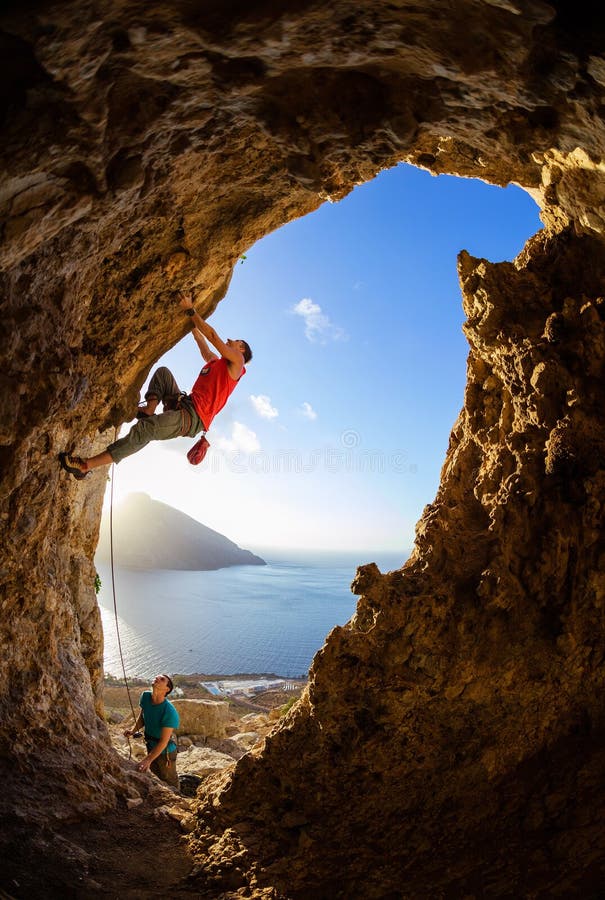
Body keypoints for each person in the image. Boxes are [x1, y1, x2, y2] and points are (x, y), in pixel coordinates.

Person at [59, 291, 252, 479]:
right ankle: (149, 409)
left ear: (241, 349)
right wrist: (191, 321)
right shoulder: (215, 363)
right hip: (186, 405)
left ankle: (85, 466)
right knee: (163, 374)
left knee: (146, 430)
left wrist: (192, 310)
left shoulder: (238, 362)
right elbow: (203, 342)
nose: (230, 340)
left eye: (235, 341)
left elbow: (213, 337)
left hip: (192, 418)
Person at [124, 673, 180, 789]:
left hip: (165, 752)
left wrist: (147, 759)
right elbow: (143, 717)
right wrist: (133, 731)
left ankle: (178, 799)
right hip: (150, 745)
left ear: (167, 689)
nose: (157, 678)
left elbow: (164, 742)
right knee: (156, 775)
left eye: (162, 679)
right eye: (157, 677)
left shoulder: (169, 711)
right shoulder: (145, 696)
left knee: (170, 780)